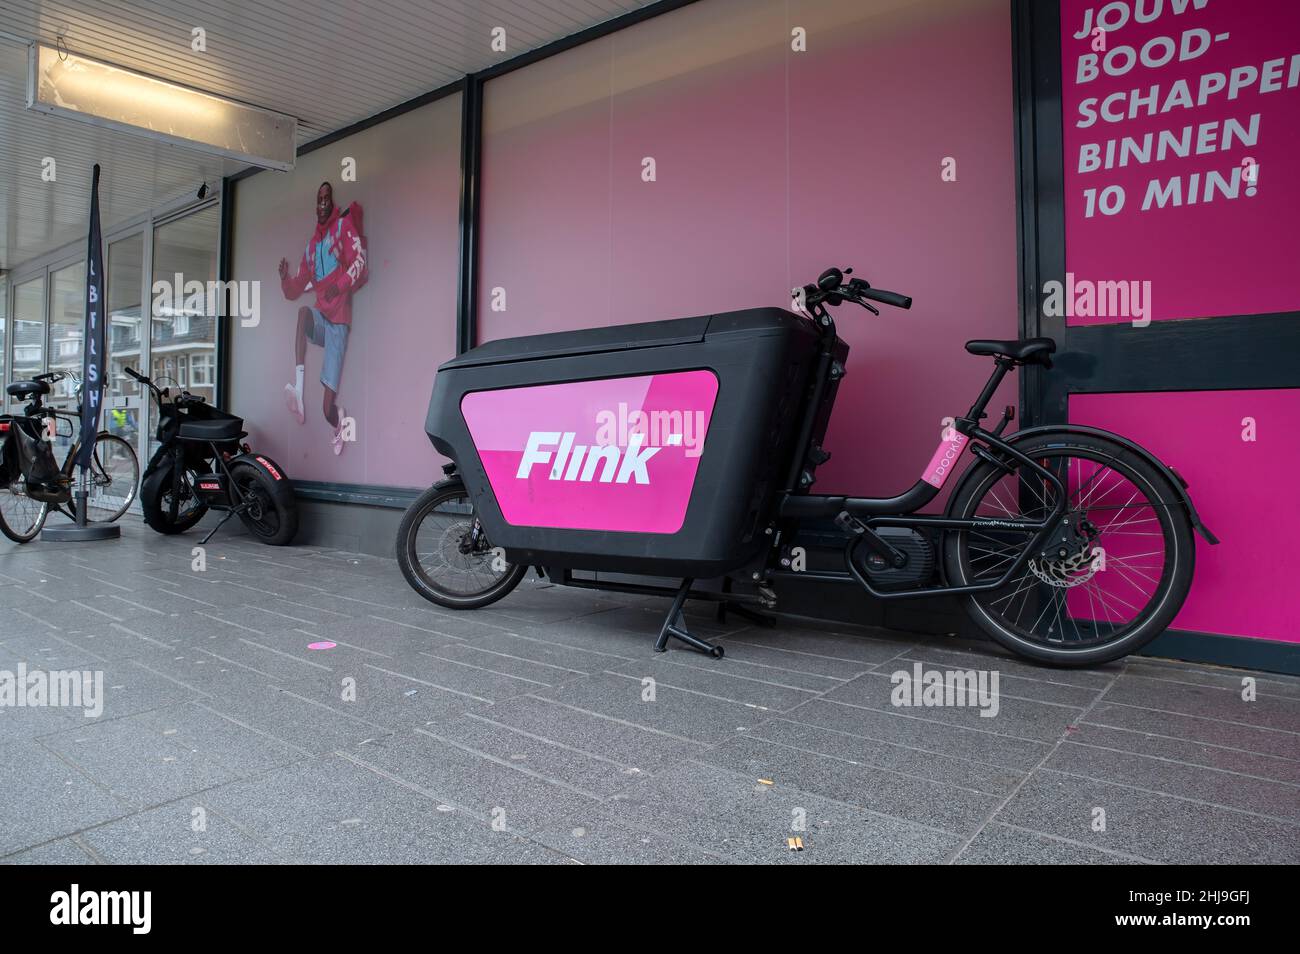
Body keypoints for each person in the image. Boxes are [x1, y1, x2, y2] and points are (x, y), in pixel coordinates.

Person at [278, 181, 366, 455]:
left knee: (326, 410)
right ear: (316, 205)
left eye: (327, 198)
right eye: (319, 199)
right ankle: (299, 388)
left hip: (338, 324)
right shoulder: (312, 247)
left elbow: (360, 262)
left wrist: (339, 286)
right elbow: (295, 290)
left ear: (332, 201)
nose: (323, 203)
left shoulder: (342, 228)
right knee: (303, 313)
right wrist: (285, 279)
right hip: (321, 318)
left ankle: (337, 422)